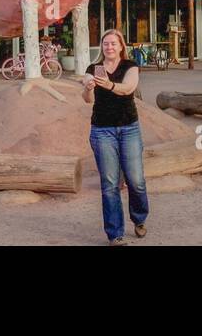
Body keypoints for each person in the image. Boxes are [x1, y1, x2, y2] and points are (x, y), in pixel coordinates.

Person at [83, 28, 148, 245]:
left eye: (113, 43)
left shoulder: (130, 67)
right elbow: (87, 99)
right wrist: (88, 87)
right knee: (110, 184)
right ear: (101, 47)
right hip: (102, 130)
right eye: (105, 43)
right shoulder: (94, 68)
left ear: (121, 46)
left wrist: (109, 85)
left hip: (129, 128)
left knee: (135, 180)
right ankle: (115, 234)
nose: (109, 47)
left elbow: (128, 89)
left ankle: (139, 218)